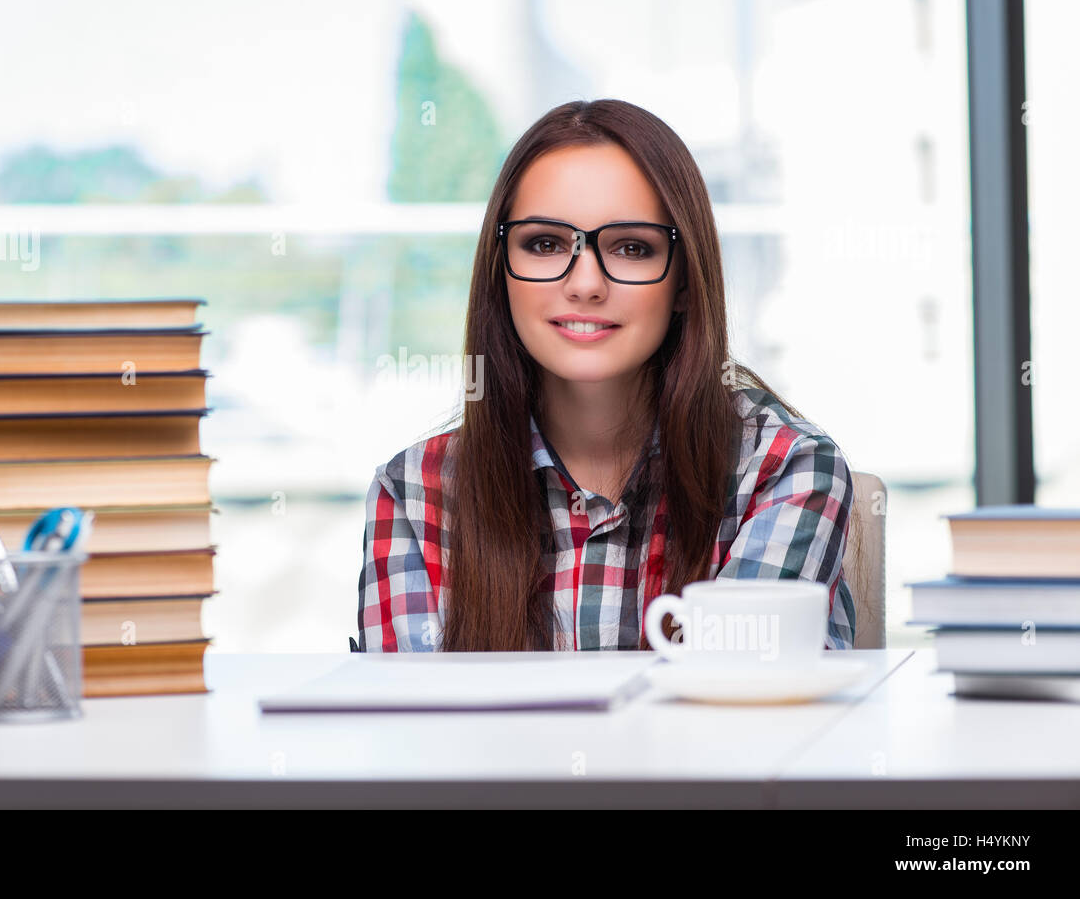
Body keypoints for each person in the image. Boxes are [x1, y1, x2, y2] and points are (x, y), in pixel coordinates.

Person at [356, 98, 858, 653]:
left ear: (686, 283)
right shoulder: (413, 493)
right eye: (544, 244)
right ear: (500, 274)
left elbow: (735, 714)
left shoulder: (786, 469)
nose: (586, 283)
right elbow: (411, 728)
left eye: (631, 248)